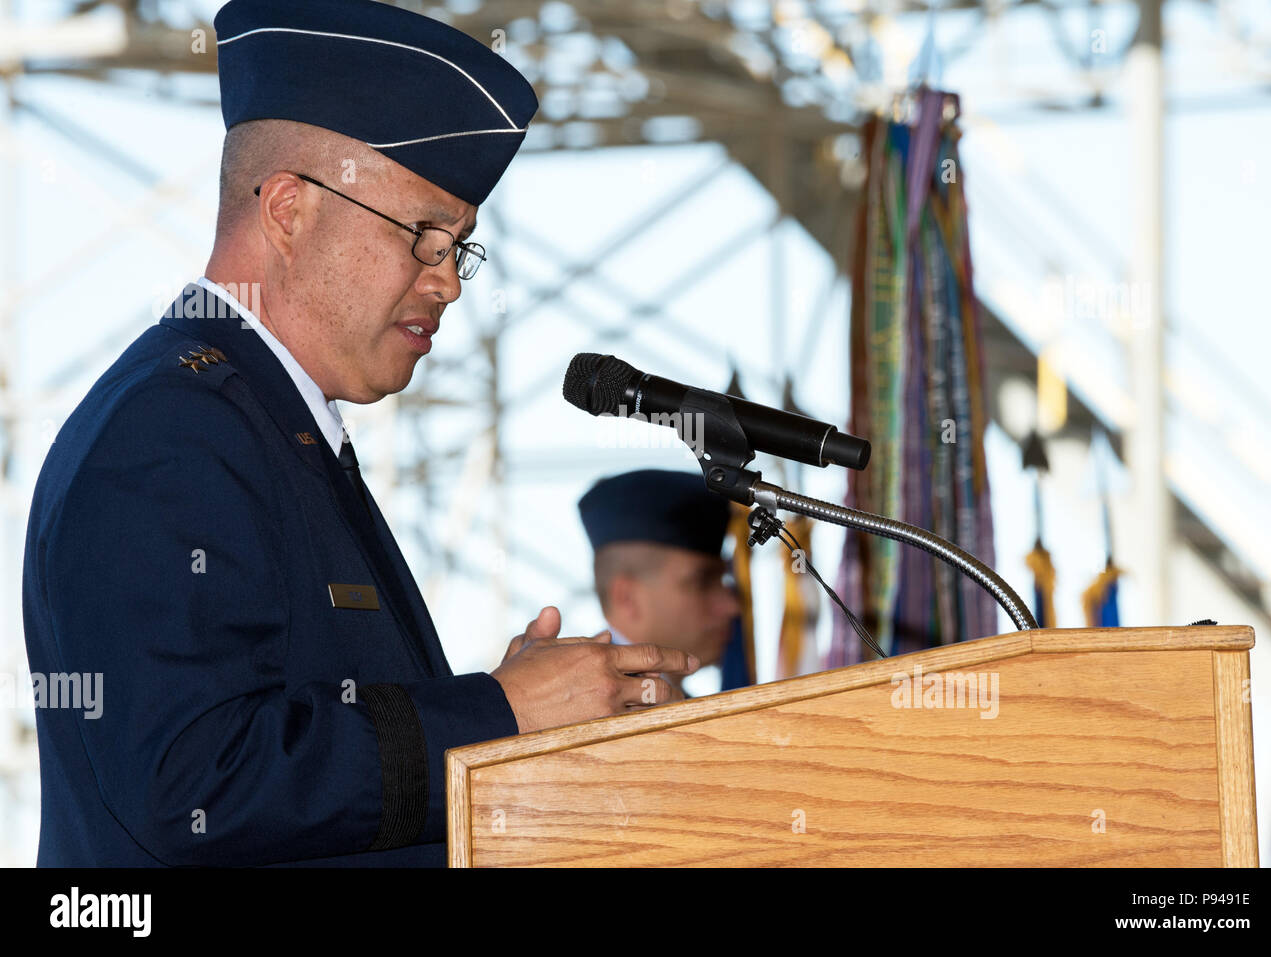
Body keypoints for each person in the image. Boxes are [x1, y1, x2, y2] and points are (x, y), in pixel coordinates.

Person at [21, 0, 697, 867]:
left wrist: (518, 720)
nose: (449, 284)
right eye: (422, 234)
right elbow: (190, 779)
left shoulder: (268, 425)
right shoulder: (172, 430)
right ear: (289, 210)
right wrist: (497, 713)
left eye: (460, 248)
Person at [579, 470, 744, 697]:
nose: (732, 606)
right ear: (628, 599)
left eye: (723, 580)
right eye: (702, 583)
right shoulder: (592, 715)